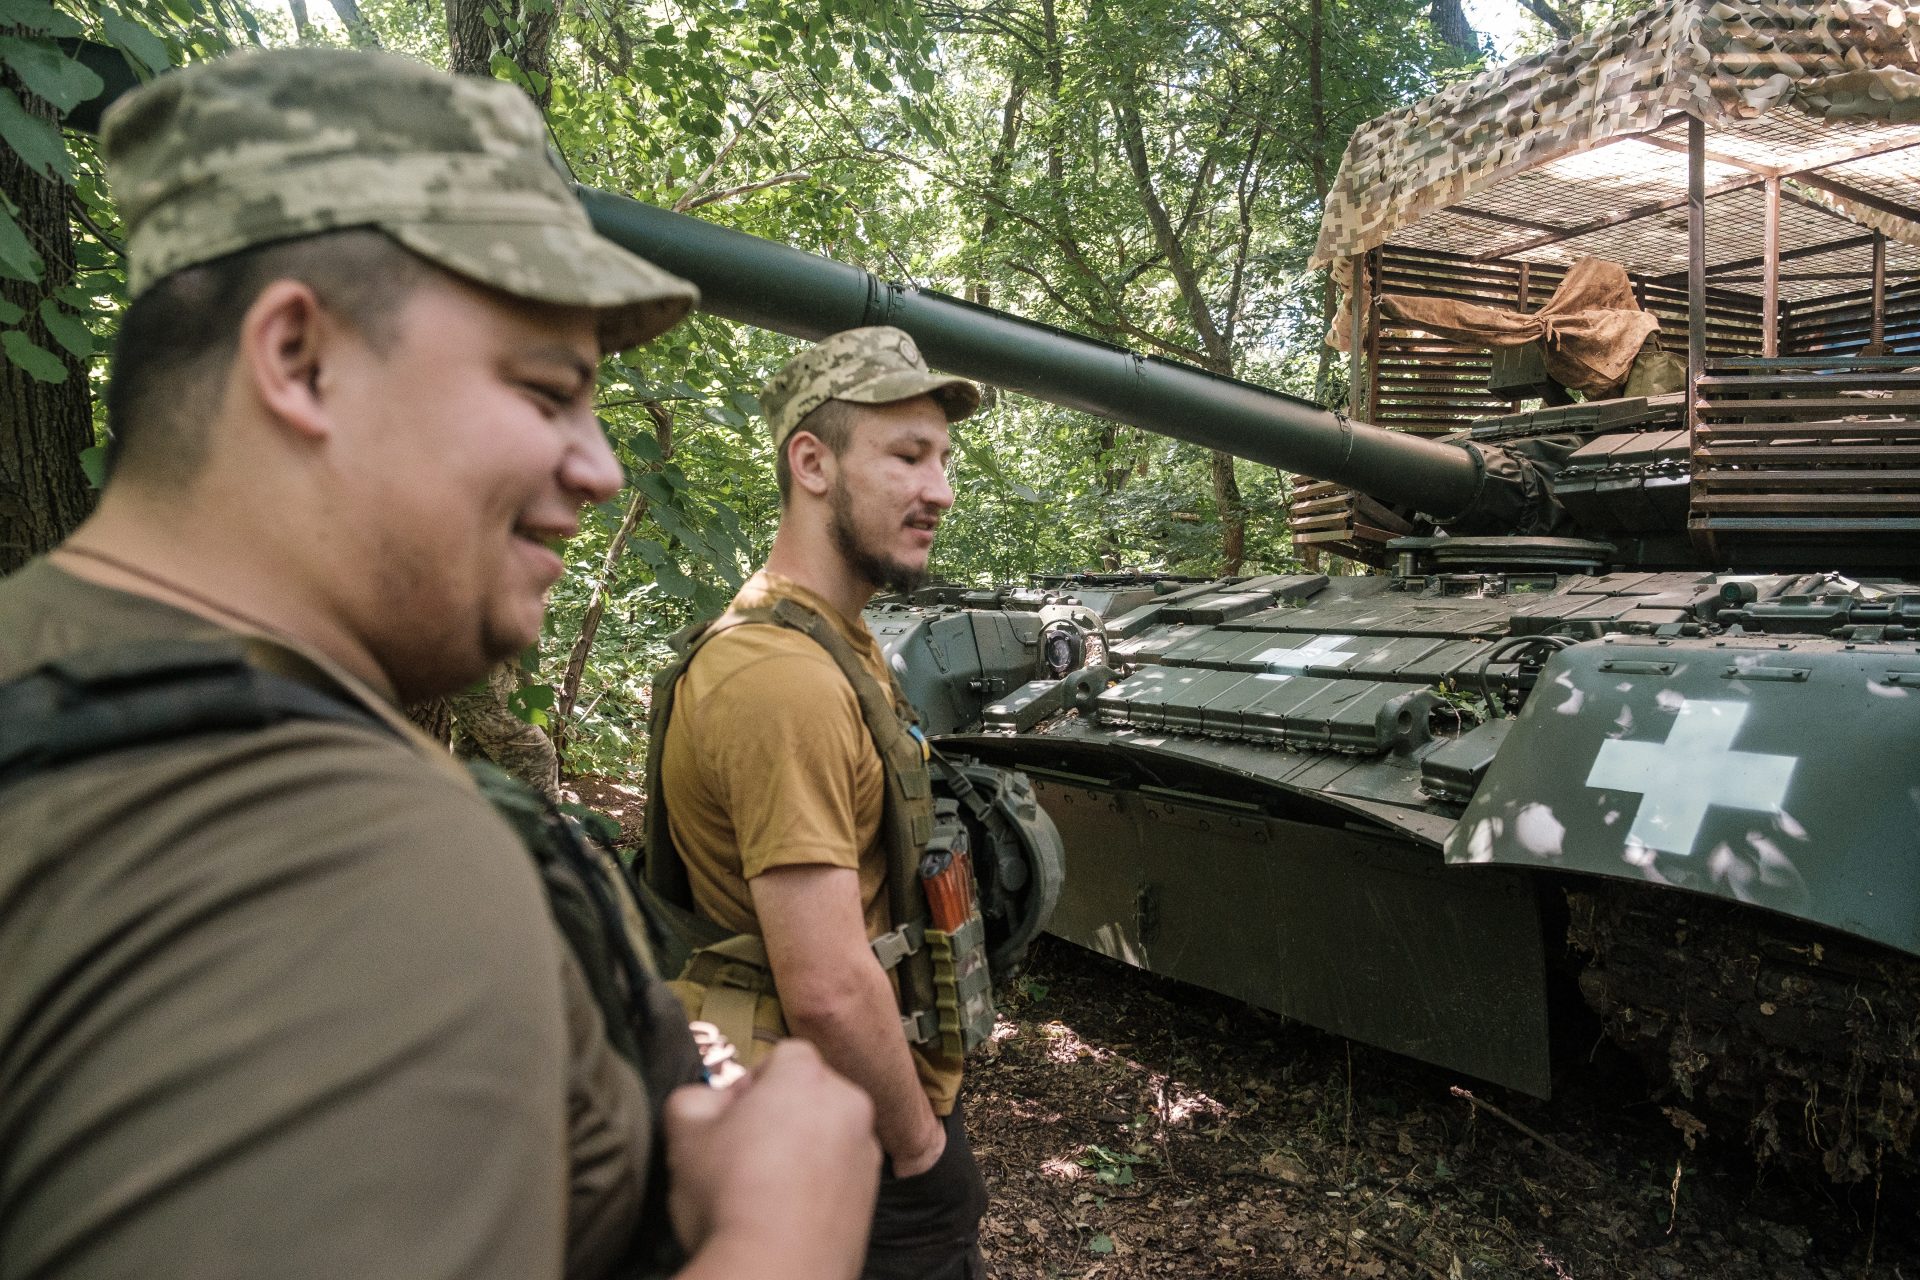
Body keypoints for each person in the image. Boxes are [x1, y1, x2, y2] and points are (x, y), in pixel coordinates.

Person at [0, 48, 880, 1280]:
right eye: (546, 391)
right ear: (301, 358)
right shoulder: (350, 858)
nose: (600, 466)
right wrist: (785, 1232)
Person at [651, 327, 989, 1280]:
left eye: (945, 461)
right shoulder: (779, 679)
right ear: (812, 461)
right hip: (846, 1137)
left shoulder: (836, 642)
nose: (940, 490)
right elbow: (830, 988)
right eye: (908, 456)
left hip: (854, 1111)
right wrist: (924, 1155)